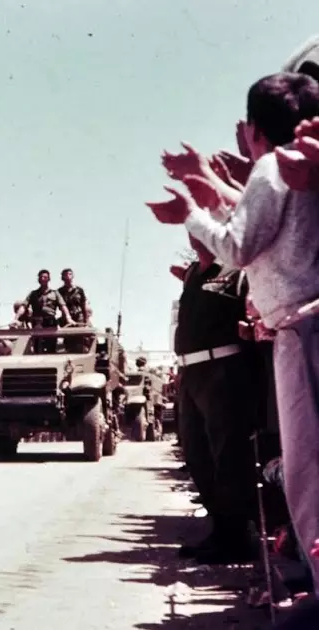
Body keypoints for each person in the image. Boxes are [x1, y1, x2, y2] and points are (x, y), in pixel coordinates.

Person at [147, 72, 319, 568]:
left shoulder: (269, 166)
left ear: (253, 129)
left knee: (307, 475)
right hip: (305, 325)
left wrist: (189, 212)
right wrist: (208, 181)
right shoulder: (291, 167)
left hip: (297, 329)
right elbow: (256, 217)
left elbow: (238, 245)